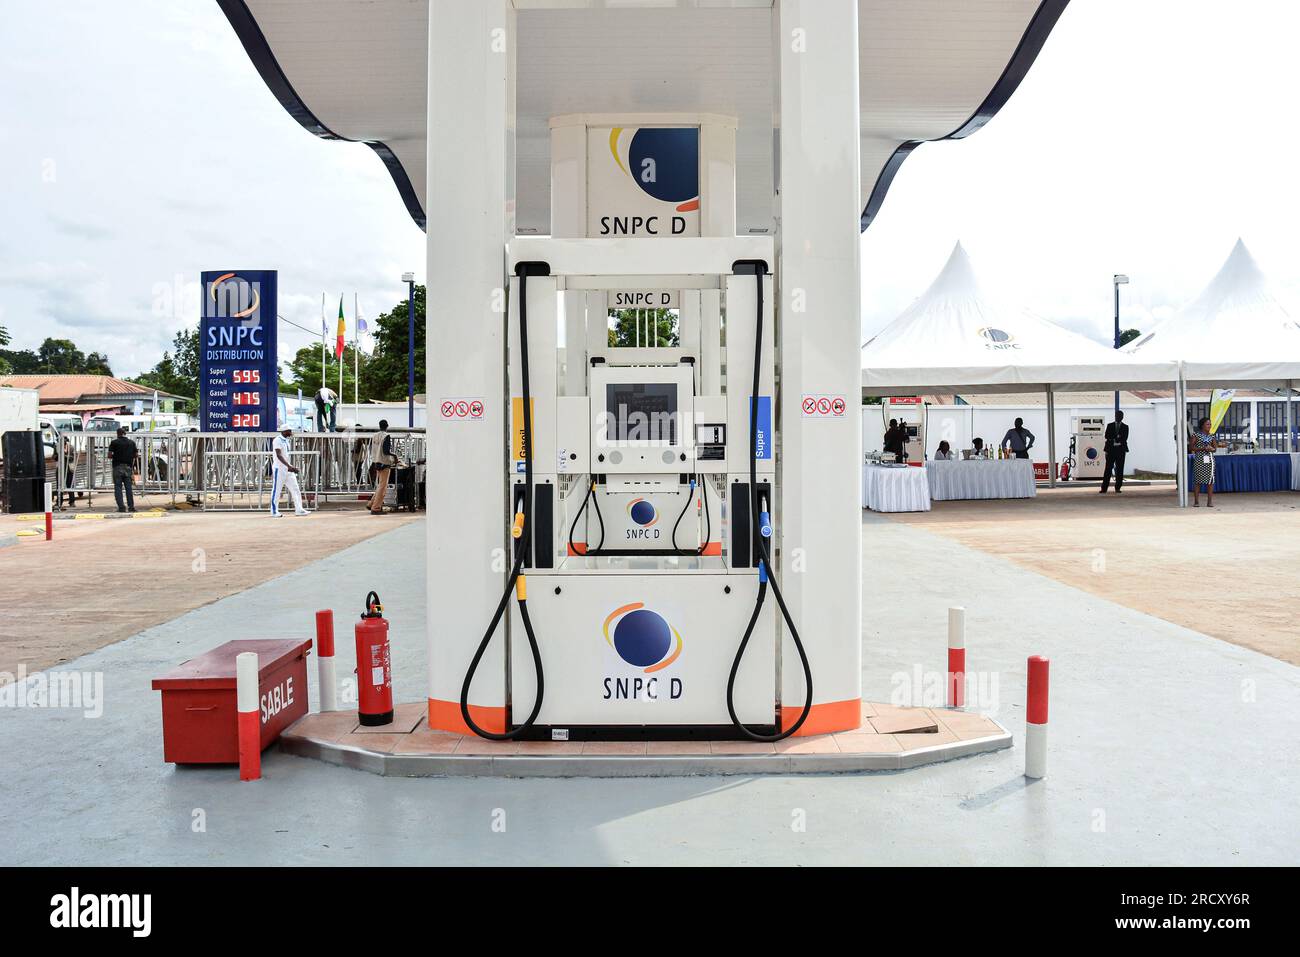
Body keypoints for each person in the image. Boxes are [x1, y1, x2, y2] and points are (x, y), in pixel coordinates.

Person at [270, 423, 309, 517]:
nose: (291, 432)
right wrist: (289, 467)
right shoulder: (277, 440)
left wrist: (290, 467)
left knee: (295, 489)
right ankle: (274, 511)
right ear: (284, 431)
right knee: (277, 490)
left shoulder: (286, 440)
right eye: (289, 431)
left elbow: (285, 455)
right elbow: (279, 455)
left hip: (287, 468)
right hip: (279, 469)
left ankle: (299, 509)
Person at [369, 419, 399, 514]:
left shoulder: (374, 436)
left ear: (379, 426)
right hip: (384, 463)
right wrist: (395, 456)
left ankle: (371, 504)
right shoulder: (386, 436)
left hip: (376, 462)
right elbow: (386, 451)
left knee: (380, 485)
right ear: (387, 426)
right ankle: (376, 508)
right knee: (383, 486)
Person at [108, 426, 138, 513]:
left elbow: (109, 455)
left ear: (117, 434)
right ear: (125, 433)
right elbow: (136, 455)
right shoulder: (131, 443)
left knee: (118, 487)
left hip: (117, 467)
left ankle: (121, 507)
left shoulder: (114, 443)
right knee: (128, 488)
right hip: (128, 468)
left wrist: (116, 456)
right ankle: (131, 507)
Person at [1190, 416, 1217, 508]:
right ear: (1202, 425)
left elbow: (1215, 449)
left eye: (1210, 424)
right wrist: (1203, 448)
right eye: (1207, 424)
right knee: (1198, 481)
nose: (1209, 426)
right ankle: (1196, 501)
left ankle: (1209, 502)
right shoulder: (1196, 435)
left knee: (1210, 481)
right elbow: (1191, 448)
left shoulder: (1212, 436)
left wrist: (1211, 449)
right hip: (1200, 460)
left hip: (1209, 460)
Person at [1101, 410, 1130, 494]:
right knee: (1108, 469)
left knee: (1120, 469)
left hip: (1120, 450)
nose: (1118, 418)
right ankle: (1104, 488)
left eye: (1120, 416)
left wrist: (1117, 438)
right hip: (1111, 450)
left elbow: (1125, 438)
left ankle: (1118, 487)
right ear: (1115, 416)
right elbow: (1106, 435)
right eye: (1117, 416)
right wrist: (1116, 437)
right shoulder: (1110, 425)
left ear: (1122, 417)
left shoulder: (1125, 427)